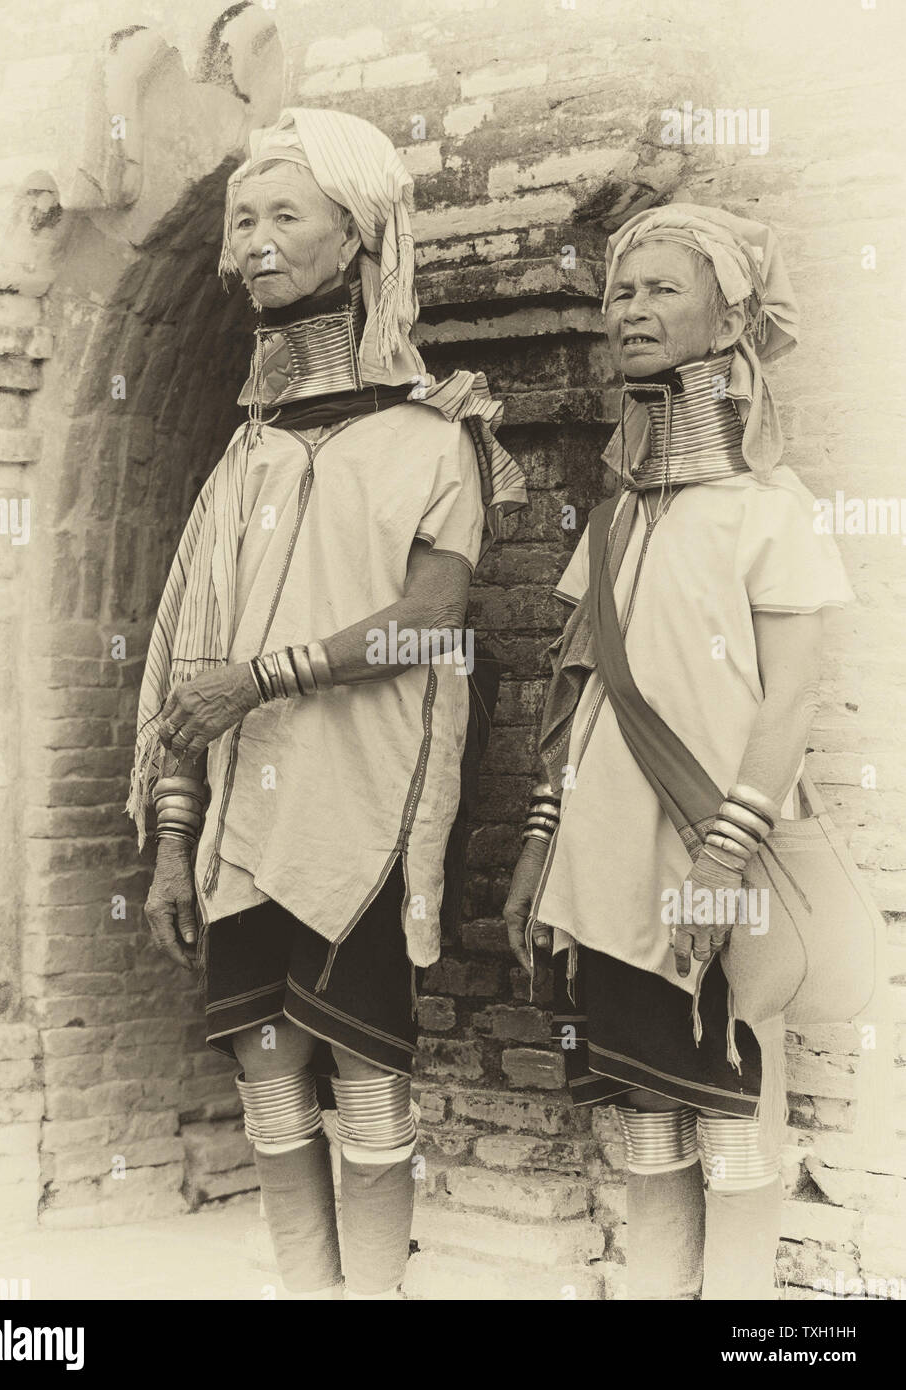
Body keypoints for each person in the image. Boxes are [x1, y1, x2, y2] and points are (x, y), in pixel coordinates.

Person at [128, 107, 526, 1300]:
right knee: (263, 1066)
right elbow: (193, 665)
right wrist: (169, 843)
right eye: (241, 219)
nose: (251, 241)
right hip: (243, 824)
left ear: (358, 240)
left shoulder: (430, 442)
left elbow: (432, 620)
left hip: (363, 805)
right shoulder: (238, 461)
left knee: (364, 1078)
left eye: (283, 215)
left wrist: (268, 675)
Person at [503, 204, 854, 1300]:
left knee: (733, 1109)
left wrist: (717, 860)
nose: (632, 310)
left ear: (729, 316)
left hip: (720, 856)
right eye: (620, 291)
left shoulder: (768, 508)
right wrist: (539, 844)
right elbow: (574, 700)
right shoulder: (613, 523)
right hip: (608, 858)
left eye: (661, 288)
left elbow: (790, 696)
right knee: (644, 1115)